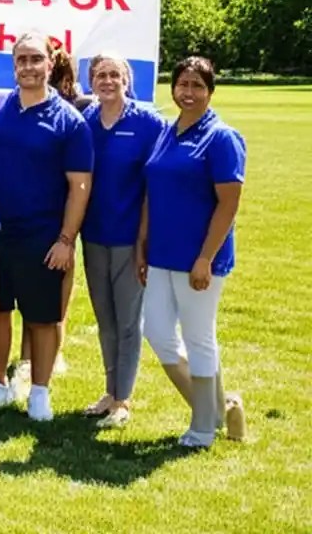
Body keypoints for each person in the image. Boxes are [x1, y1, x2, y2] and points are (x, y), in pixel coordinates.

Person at [0, 32, 93, 421]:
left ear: (50, 63)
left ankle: (40, 391)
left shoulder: (69, 121)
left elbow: (80, 187)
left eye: (36, 59)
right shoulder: (2, 109)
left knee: (43, 317)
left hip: (43, 235)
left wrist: (66, 240)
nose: (28, 67)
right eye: (21, 60)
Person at [139, 56, 246, 448]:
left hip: (200, 258)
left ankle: (203, 427)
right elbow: (152, 193)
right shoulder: (167, 132)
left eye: (197, 85)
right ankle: (220, 408)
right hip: (160, 254)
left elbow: (229, 204)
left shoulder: (222, 137)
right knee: (157, 332)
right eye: (182, 84)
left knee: (199, 337)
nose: (188, 92)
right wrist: (142, 245)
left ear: (210, 91)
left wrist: (205, 258)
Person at [79, 51, 165, 429]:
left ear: (126, 80)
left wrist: (146, 239)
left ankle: (123, 399)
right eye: (101, 75)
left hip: (131, 238)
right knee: (106, 319)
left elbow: (156, 185)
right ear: (91, 82)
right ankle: (110, 390)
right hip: (94, 236)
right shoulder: (85, 121)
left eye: (115, 75)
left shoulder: (148, 123)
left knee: (129, 321)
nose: (108, 81)